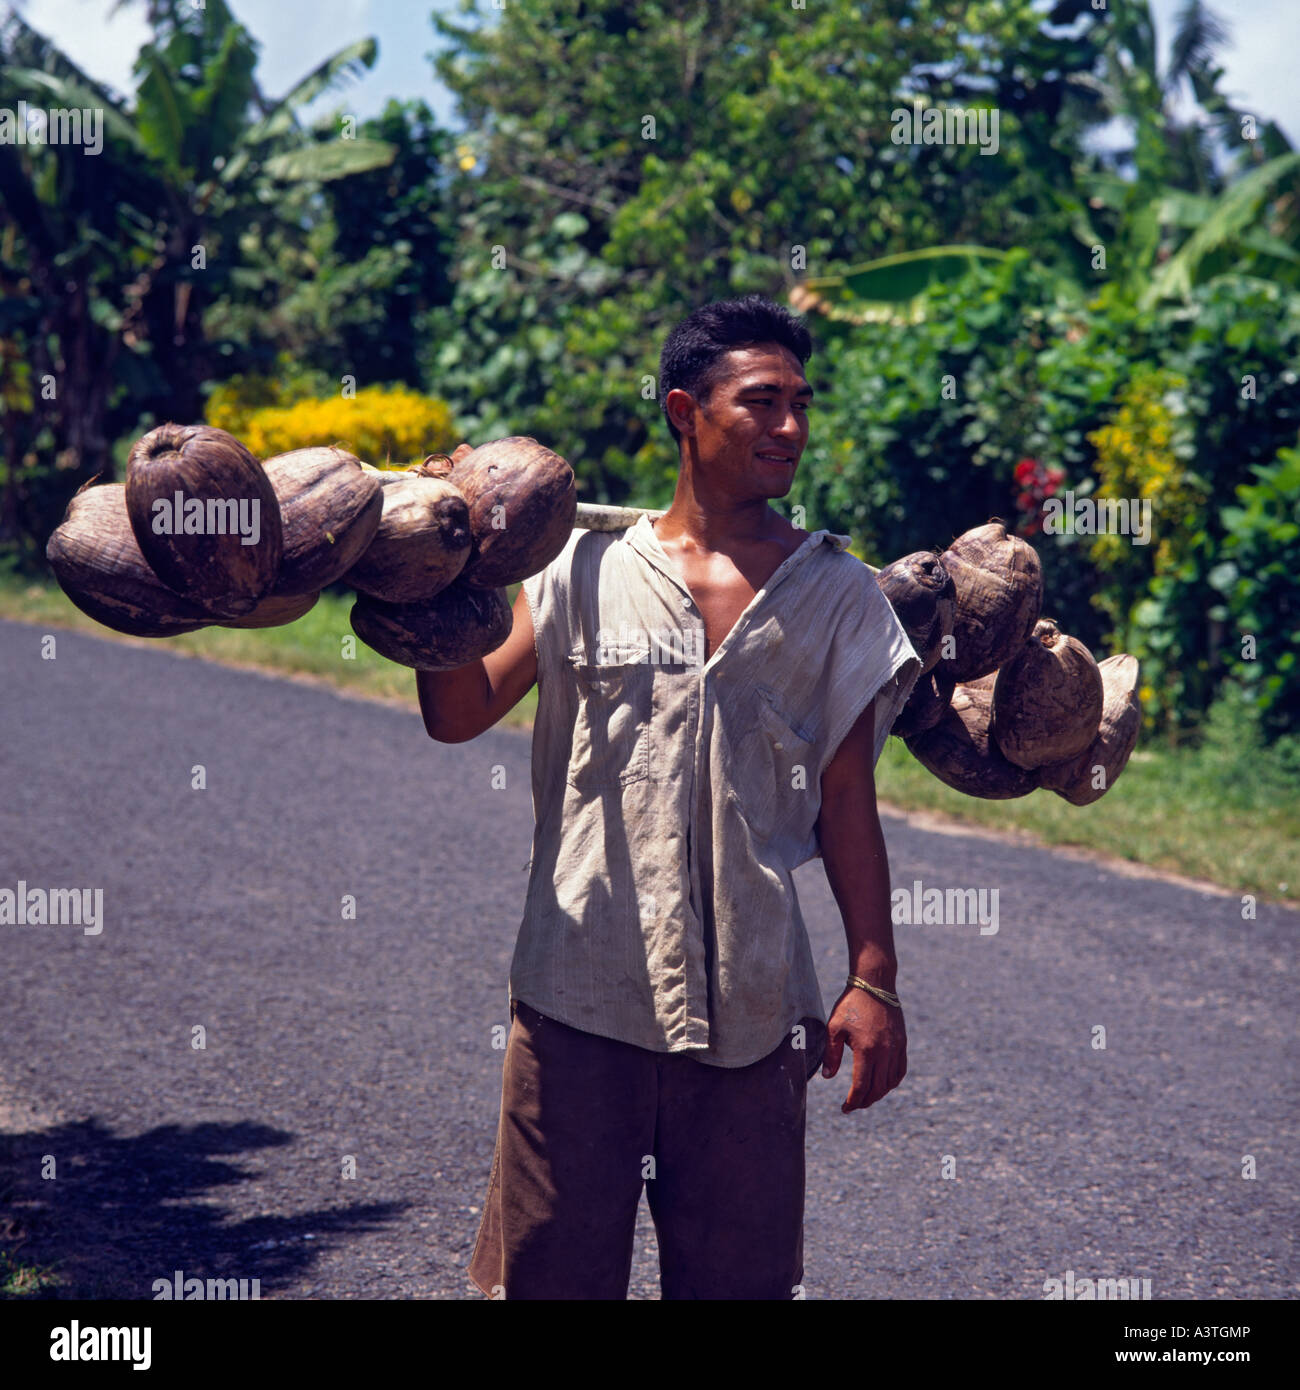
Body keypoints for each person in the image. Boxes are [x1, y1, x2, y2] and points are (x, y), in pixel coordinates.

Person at [418, 294, 921, 1300]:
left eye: (801, 403)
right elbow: (460, 710)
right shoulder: (577, 566)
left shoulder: (839, 595)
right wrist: (431, 582)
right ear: (684, 409)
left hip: (750, 1016)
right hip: (576, 999)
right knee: (551, 1279)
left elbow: (847, 801)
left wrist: (873, 979)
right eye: (761, 401)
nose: (789, 426)